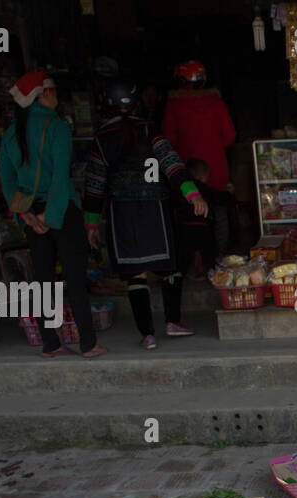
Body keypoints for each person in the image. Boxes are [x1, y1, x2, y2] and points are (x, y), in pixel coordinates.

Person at [83, 79, 207, 349]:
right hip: (155, 208)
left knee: (135, 273)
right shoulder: (149, 129)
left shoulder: (102, 137)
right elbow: (172, 163)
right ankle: (173, 322)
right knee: (169, 266)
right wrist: (192, 194)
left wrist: (91, 224)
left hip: (122, 212)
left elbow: (94, 183)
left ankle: (147, 335)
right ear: (135, 103)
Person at [0, 70, 105, 357]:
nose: (57, 95)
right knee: (74, 278)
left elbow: (8, 181)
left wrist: (28, 217)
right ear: (43, 94)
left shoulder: (11, 133)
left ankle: (51, 343)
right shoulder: (56, 128)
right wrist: (52, 216)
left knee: (43, 279)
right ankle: (88, 343)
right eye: (54, 90)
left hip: (31, 212)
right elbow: (60, 179)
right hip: (61, 211)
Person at [163, 60, 236, 253]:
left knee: (191, 220)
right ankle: (220, 258)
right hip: (217, 170)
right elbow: (230, 138)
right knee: (219, 215)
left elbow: (166, 144)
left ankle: (196, 262)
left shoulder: (174, 106)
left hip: (188, 174)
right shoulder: (217, 103)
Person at [177, 158, 222, 278]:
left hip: (185, 227)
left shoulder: (183, 190)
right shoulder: (206, 188)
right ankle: (211, 272)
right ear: (204, 176)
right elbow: (219, 198)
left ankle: (180, 273)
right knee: (208, 252)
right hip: (204, 228)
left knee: (184, 254)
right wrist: (230, 194)